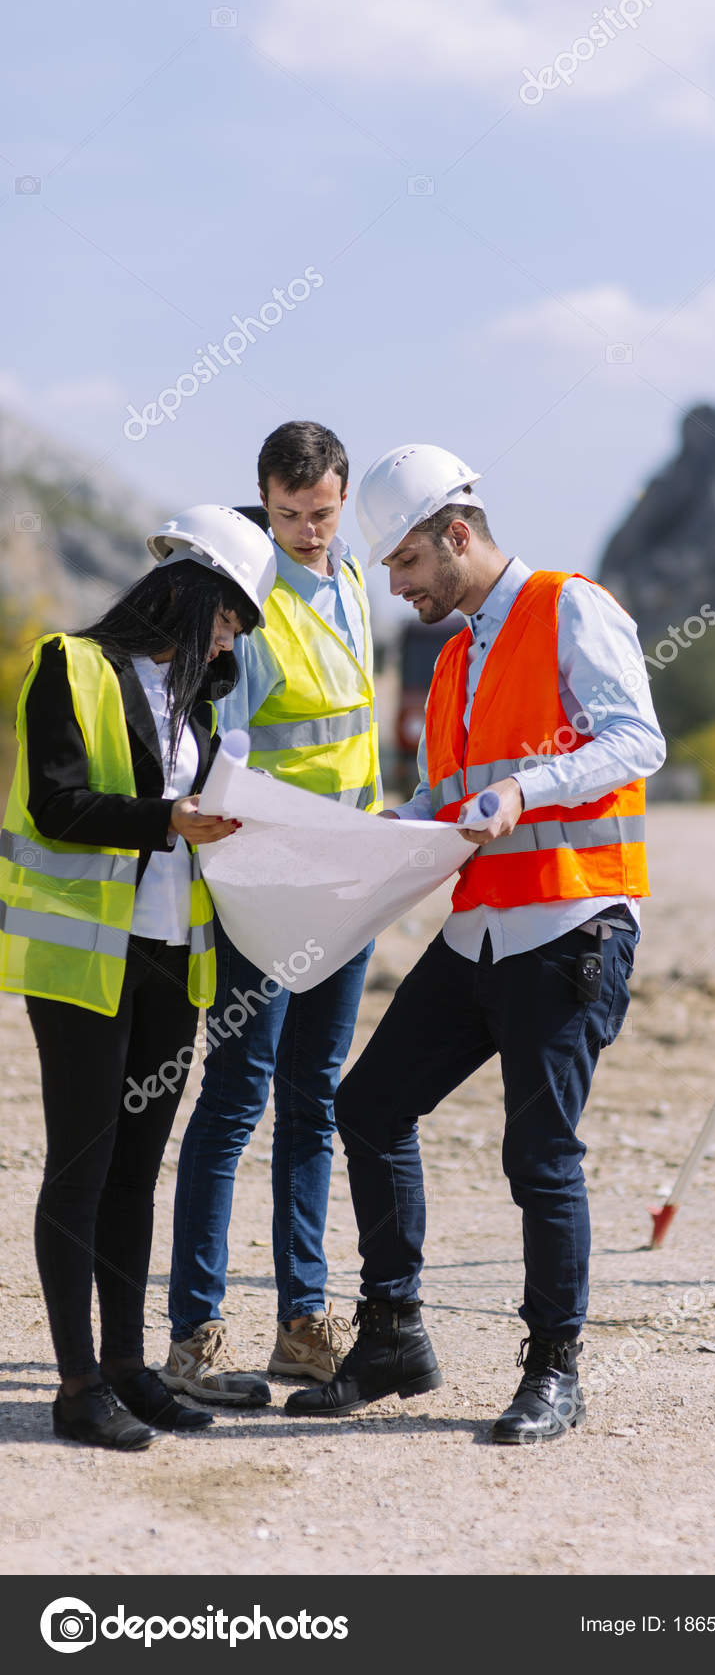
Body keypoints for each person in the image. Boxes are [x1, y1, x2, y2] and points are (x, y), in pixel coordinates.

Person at [288, 444, 665, 1442]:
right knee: (369, 1106)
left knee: (539, 1154)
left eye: (408, 562)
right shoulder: (454, 656)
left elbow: (638, 738)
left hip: (570, 925)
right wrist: (390, 830)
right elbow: (449, 797)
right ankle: (394, 1335)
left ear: (458, 534)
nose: (397, 586)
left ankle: (554, 1370)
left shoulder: (569, 607)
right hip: (480, 931)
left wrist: (527, 788)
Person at [0, 506, 275, 1450]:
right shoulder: (68, 665)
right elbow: (57, 805)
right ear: (193, 594)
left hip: (169, 959)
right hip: (85, 960)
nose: (230, 641)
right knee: (81, 1169)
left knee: (134, 1173)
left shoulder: (196, 701)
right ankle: (77, 1388)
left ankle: (127, 1369)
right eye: (231, 619)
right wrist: (169, 820)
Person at [163, 421, 380, 1407]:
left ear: (343, 500)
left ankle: (303, 1323)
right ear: (264, 498)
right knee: (236, 1095)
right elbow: (227, 757)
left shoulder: (357, 580)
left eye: (321, 512)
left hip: (351, 878)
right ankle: (195, 1334)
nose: (306, 529)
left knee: (315, 1101)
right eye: (289, 512)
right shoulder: (248, 599)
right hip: (268, 882)